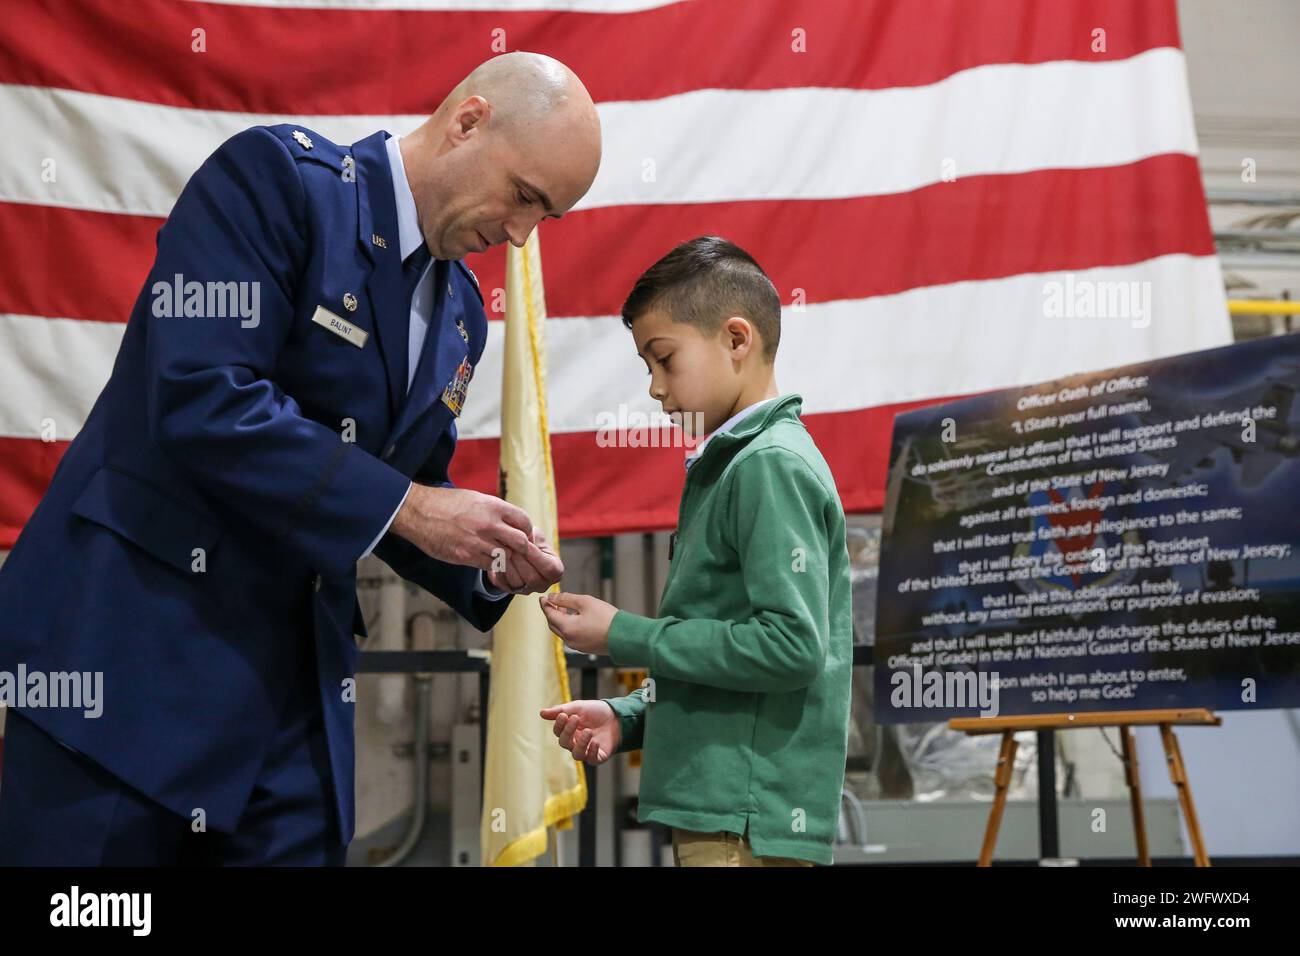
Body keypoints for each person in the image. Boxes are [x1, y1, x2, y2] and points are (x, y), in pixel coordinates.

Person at [0, 52, 600, 866]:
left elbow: (400, 485)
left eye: (548, 217)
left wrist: (485, 561)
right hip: (132, 667)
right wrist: (415, 508)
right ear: (469, 121)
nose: (522, 235)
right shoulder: (277, 183)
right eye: (526, 196)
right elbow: (203, 393)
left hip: (290, 710)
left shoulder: (460, 312)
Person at [538, 236, 853, 867]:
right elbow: (731, 662)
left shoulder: (768, 466)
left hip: (744, 819)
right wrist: (628, 715)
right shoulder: (736, 463)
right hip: (727, 806)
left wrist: (625, 634)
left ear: (737, 340)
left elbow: (791, 649)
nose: (655, 388)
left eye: (664, 359)